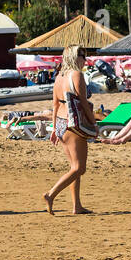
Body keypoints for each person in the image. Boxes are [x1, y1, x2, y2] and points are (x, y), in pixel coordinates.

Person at [45, 45, 98, 215]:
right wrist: (93, 123)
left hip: (61, 123)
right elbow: (82, 101)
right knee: (79, 168)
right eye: (83, 55)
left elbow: (54, 104)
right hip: (73, 123)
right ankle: (51, 194)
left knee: (74, 166)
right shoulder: (77, 74)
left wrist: (54, 128)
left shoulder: (59, 76)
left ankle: (77, 206)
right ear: (75, 57)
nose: (85, 59)